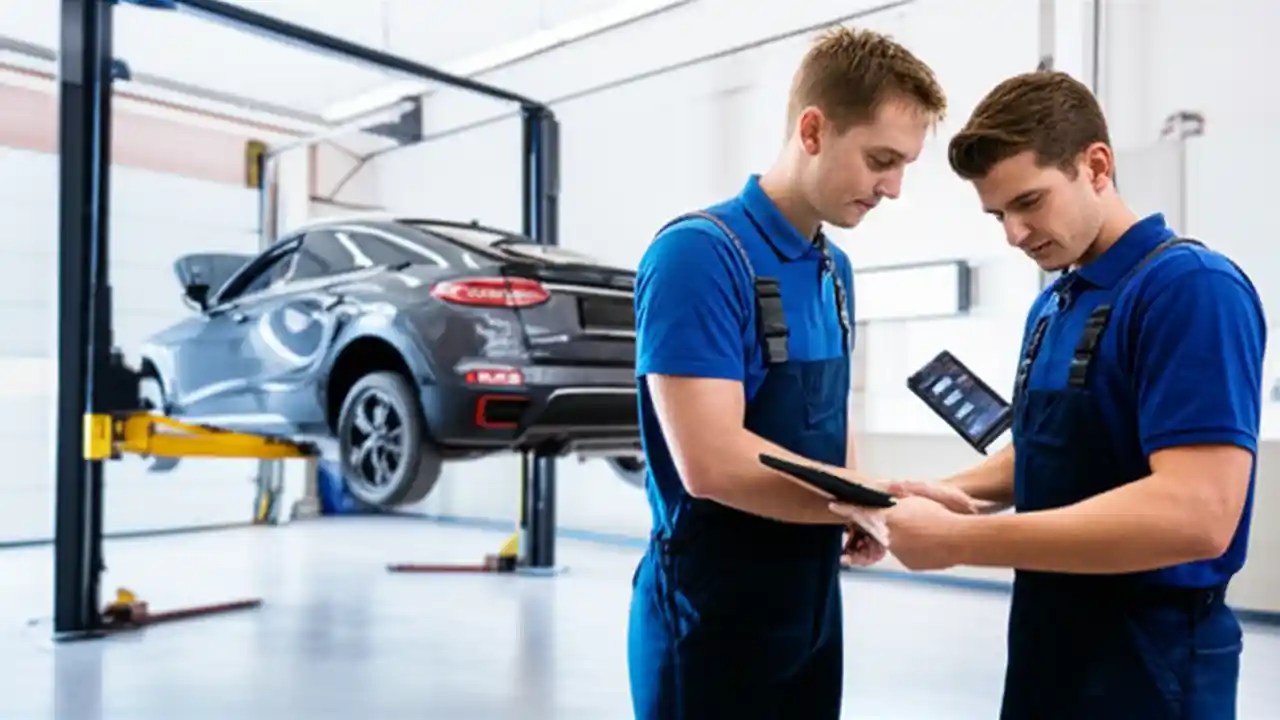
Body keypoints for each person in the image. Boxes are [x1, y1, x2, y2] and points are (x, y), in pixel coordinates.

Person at [832, 70, 1267, 719]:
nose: (1013, 234)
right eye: (998, 214)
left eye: (1030, 202)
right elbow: (1058, 448)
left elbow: (1197, 513)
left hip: (1152, 660)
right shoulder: (1056, 302)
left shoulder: (1191, 290)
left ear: (1096, 165)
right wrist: (952, 496)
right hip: (1050, 640)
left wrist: (958, 542)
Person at [625, 26, 961, 720]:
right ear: (812, 130)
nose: (893, 188)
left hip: (810, 608)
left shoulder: (834, 271)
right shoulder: (698, 256)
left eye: (904, 166)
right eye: (880, 159)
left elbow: (832, 415)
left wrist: (859, 493)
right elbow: (711, 462)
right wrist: (875, 504)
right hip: (709, 618)